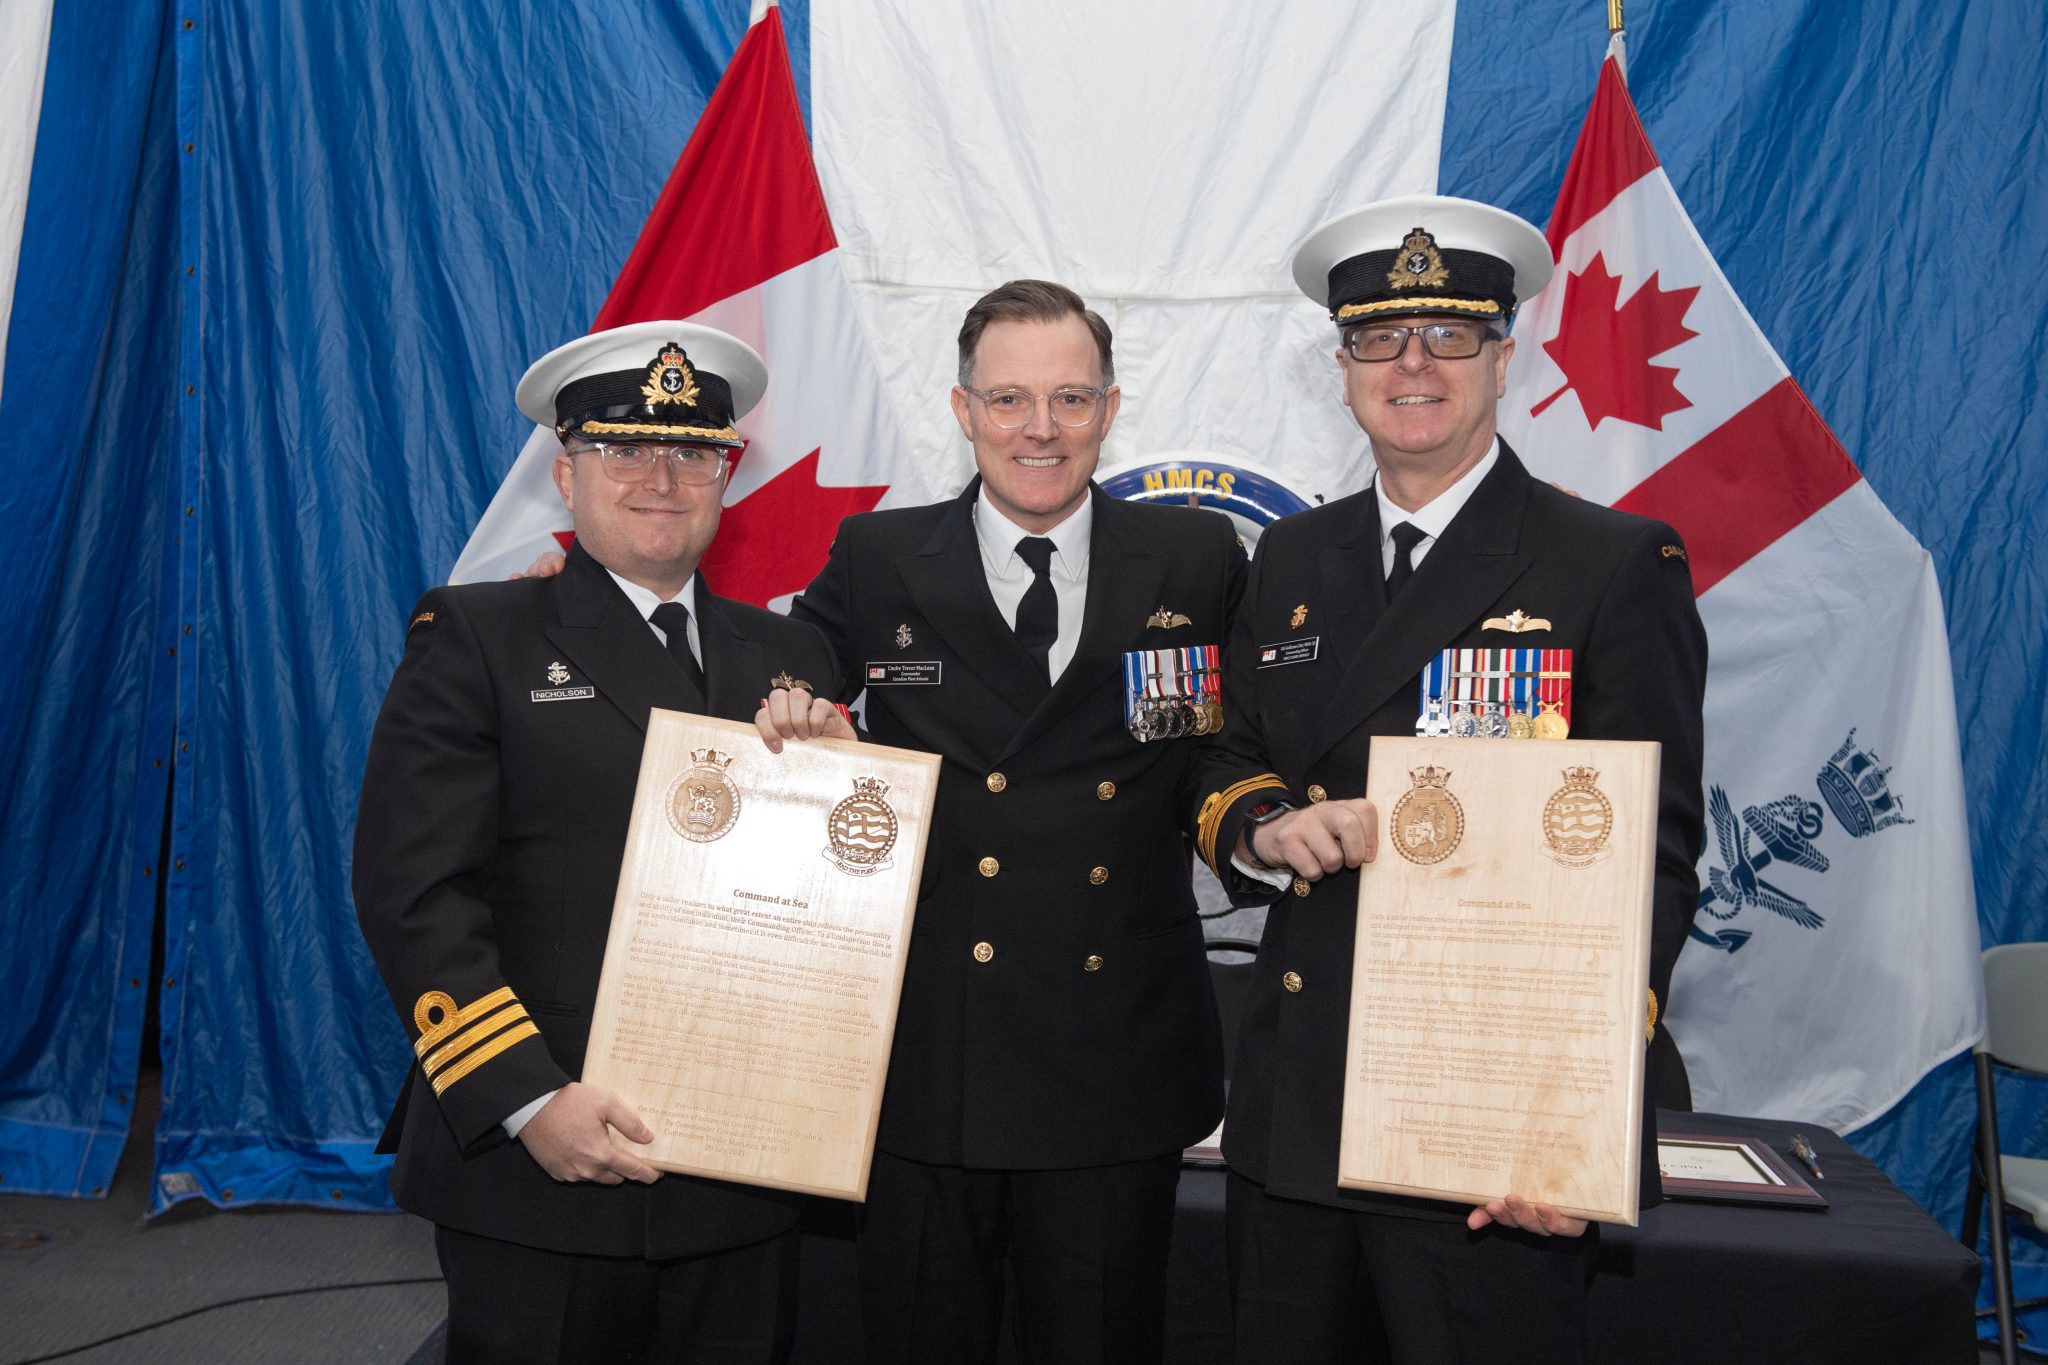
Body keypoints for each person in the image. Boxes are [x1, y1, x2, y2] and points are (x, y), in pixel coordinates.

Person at [1189, 197, 1708, 1363]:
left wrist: (1566, 1124)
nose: (1410, 364)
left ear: (1502, 360)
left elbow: (1652, 859)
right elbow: (1231, 753)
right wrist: (1266, 826)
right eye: (1378, 338)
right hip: (1301, 1107)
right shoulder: (1288, 554)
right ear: (1341, 365)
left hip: (1492, 1121)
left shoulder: (1612, 562)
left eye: (1448, 336)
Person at [758, 279, 1246, 1364]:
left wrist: (1258, 823)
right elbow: (787, 671)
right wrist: (593, 596)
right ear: (961, 408)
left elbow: (1234, 743)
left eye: (1069, 399)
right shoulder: (878, 555)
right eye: (1010, 399)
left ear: (1111, 410)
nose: (1040, 429)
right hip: (932, 1046)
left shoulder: (1196, 559)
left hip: (1115, 1045)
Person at [353, 321, 842, 1364]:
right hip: (544, 1157)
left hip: (745, 1164)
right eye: (625, 449)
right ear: (566, 476)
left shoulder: (793, 655)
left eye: (693, 453)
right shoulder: (476, 636)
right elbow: (415, 896)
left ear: (726, 474)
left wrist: (845, 790)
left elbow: (829, 911)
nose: (662, 479)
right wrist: (524, 1097)